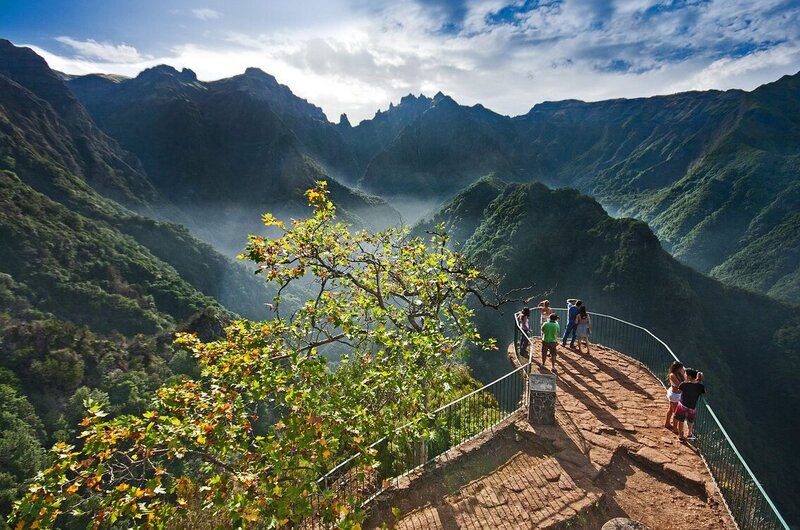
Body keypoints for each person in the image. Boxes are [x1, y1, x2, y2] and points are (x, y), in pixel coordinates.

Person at [674, 368, 705, 442]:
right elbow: (703, 392)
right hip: (692, 406)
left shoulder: (684, 384)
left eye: (685, 374)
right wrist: (699, 381)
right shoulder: (700, 386)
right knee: (690, 421)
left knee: (681, 420)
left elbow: (679, 390)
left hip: (682, 405)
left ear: (689, 377)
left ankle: (681, 436)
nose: (684, 375)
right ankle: (689, 434)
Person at [664, 361, 685, 430]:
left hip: (677, 394)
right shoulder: (672, 375)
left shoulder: (679, 373)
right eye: (681, 368)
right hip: (674, 395)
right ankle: (675, 428)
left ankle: (667, 423)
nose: (682, 369)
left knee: (671, 409)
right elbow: (680, 385)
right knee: (676, 412)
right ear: (677, 368)